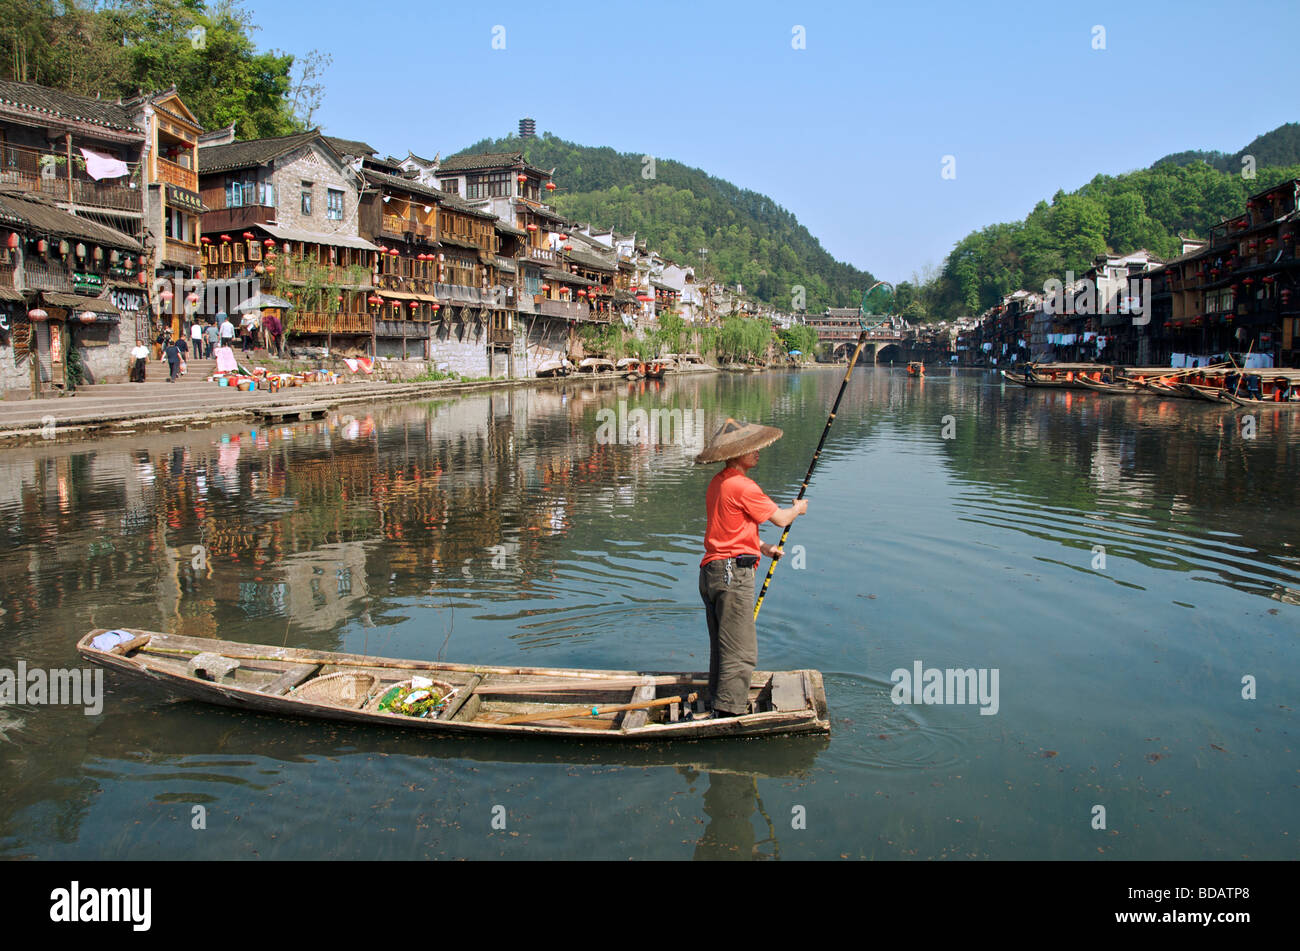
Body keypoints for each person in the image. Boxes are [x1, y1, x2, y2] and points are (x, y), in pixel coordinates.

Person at [695, 418, 808, 719]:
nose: (758, 451)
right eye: (751, 448)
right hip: (732, 574)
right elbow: (782, 519)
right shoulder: (743, 486)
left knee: (724, 646)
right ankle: (729, 713)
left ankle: (720, 700)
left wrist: (764, 548)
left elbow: (729, 530)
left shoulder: (719, 484)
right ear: (735, 454)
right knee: (742, 649)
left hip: (712, 571)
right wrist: (798, 508)